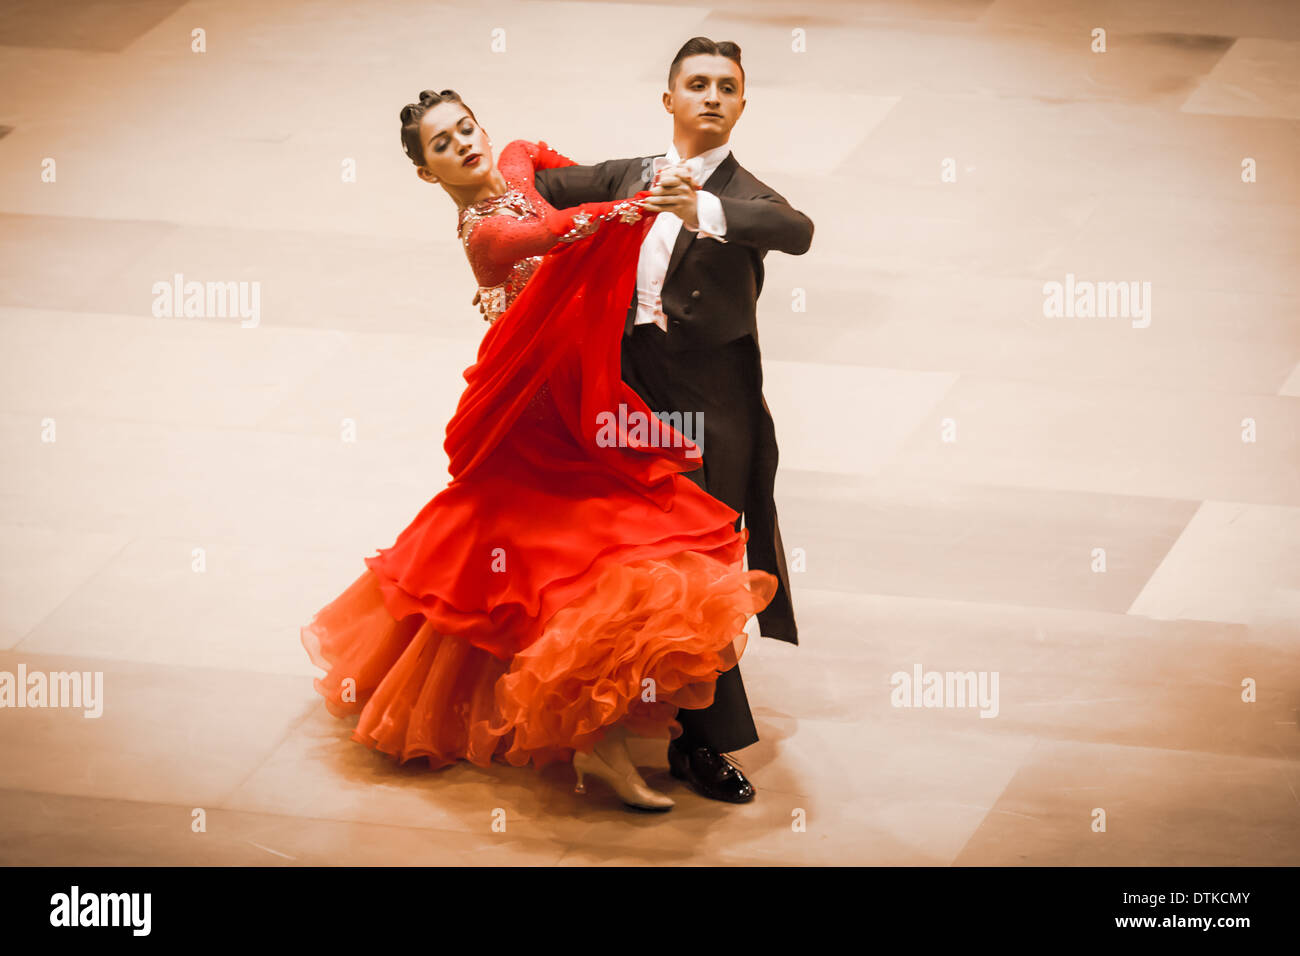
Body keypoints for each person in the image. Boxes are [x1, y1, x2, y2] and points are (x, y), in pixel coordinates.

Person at [298, 87, 776, 812]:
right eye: (441, 144)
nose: (462, 143)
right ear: (428, 173)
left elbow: (579, 173)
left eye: (465, 128)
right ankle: (598, 743)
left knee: (590, 539)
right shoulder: (483, 235)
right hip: (534, 399)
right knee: (555, 549)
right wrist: (639, 205)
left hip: (584, 385)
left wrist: (638, 185)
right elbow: (565, 230)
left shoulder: (520, 161)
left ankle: (602, 735)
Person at [533, 37, 813, 804]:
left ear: (742, 105)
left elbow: (798, 232)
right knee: (619, 555)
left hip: (709, 408)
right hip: (629, 402)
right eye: (697, 84)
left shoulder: (750, 198)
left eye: (727, 86)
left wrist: (707, 210)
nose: (712, 96)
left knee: (706, 572)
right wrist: (484, 226)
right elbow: (533, 183)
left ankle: (700, 742)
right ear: (669, 100)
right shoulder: (629, 175)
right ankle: (606, 721)